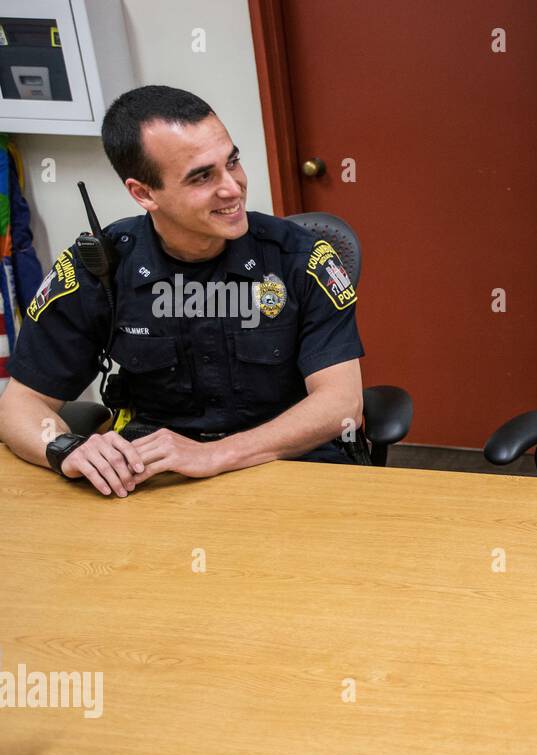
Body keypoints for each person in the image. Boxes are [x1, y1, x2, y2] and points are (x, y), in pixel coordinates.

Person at [0, 85, 364, 498]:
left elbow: (341, 403)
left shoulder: (302, 257)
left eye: (233, 162)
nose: (233, 188)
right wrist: (66, 448)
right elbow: (20, 405)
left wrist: (214, 455)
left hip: (292, 464)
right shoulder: (99, 269)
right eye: (202, 176)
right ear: (143, 193)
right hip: (158, 478)